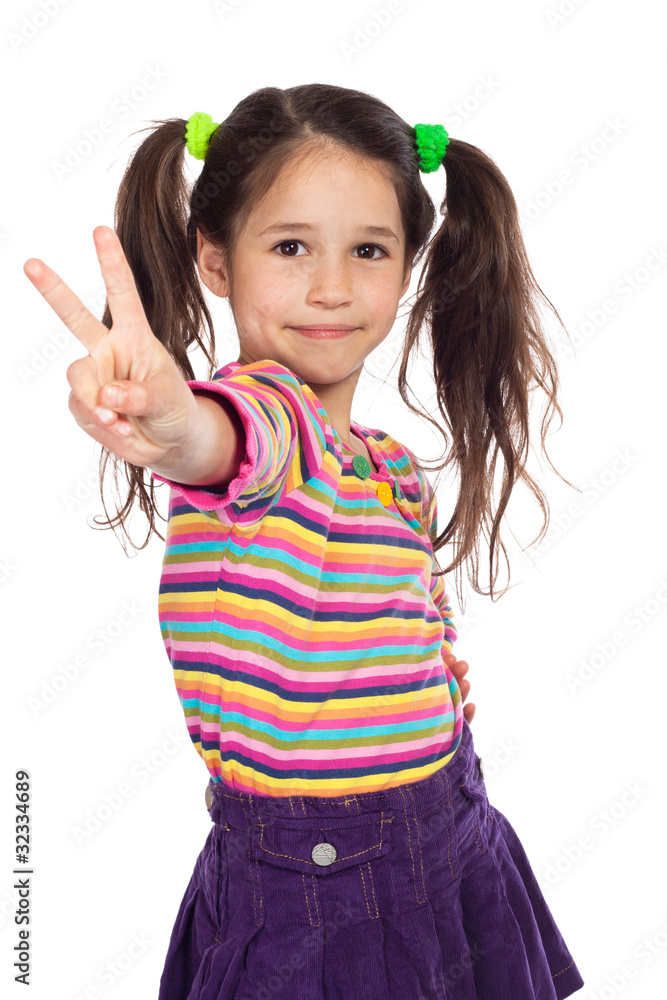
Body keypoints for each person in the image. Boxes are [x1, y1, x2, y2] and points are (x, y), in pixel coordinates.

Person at [24, 84, 584, 999]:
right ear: (214, 257)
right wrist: (170, 419)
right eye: (289, 247)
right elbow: (217, 438)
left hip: (454, 828)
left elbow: (403, 617)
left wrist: (433, 688)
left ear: (406, 268)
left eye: (368, 251)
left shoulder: (386, 465)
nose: (331, 287)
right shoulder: (264, 422)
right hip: (326, 889)